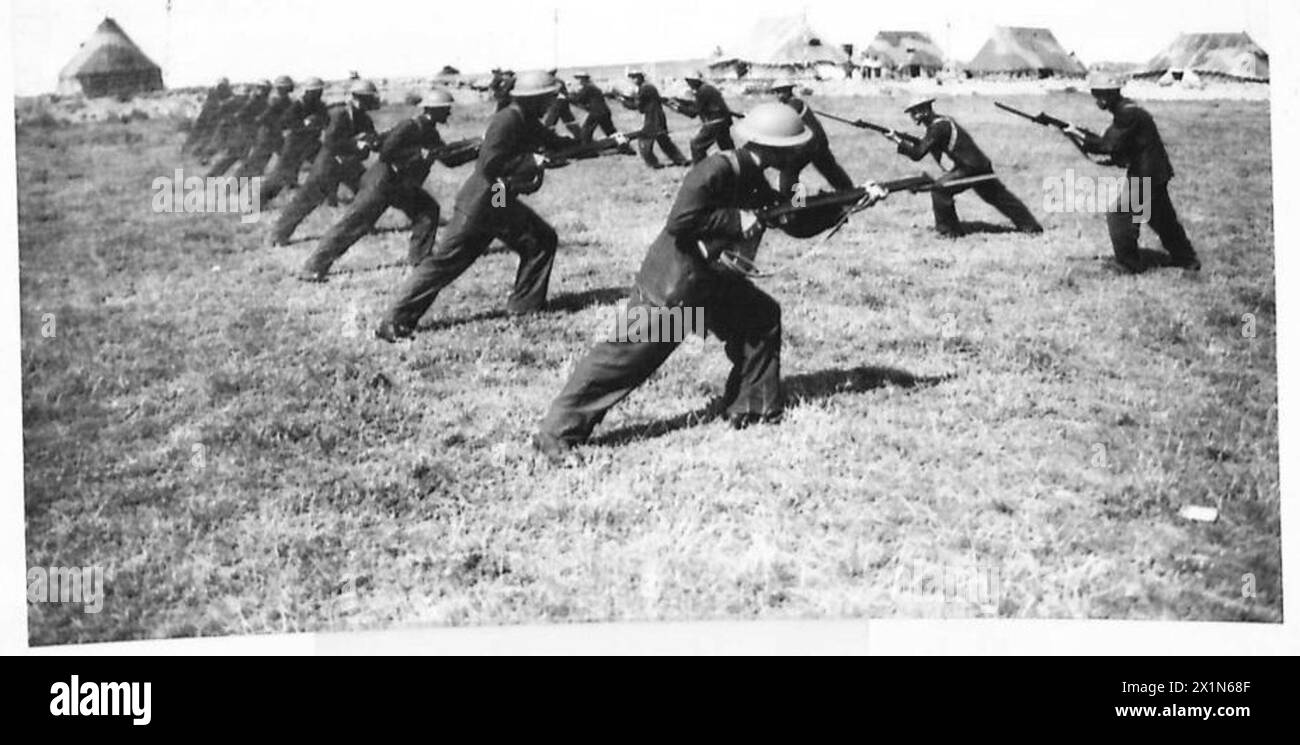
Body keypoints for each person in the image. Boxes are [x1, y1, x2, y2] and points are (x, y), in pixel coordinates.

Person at [533, 103, 882, 462]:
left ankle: (752, 407)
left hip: (709, 280)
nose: (799, 153)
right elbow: (681, 222)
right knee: (625, 358)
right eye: (793, 146)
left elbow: (791, 220)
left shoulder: (752, 175)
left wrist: (848, 204)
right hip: (675, 287)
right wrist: (734, 220)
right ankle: (555, 434)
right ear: (774, 148)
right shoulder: (715, 169)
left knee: (760, 318)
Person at [374, 70, 589, 341]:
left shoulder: (526, 120)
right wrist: (531, 162)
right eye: (548, 97)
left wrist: (596, 144)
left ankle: (525, 306)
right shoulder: (507, 120)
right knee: (445, 263)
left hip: (498, 198)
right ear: (535, 98)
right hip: (483, 201)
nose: (552, 102)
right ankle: (392, 322)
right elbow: (490, 165)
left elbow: (556, 144)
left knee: (541, 240)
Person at [299, 88, 466, 280]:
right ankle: (312, 267)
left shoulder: (429, 132)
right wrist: (417, 153)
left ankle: (420, 260)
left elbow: (449, 159)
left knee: (427, 211)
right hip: (381, 183)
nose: (449, 113)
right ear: (433, 110)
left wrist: (477, 146)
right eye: (446, 109)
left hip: (399, 185)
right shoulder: (410, 126)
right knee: (354, 225)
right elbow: (387, 152)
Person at [1065, 74, 1200, 273]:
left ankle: (1128, 264)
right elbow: (1112, 140)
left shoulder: (1127, 114)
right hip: (1153, 171)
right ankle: (1187, 259)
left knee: (1119, 214)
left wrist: (1077, 135)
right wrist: (1078, 132)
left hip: (1146, 174)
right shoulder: (1127, 110)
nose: (1097, 100)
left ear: (1110, 95)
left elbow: (1107, 145)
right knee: (1161, 218)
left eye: (1099, 94)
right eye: (1095, 94)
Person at [894, 97, 1042, 238]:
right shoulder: (940, 123)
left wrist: (896, 140)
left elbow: (917, 154)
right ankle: (1031, 226)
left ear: (925, 110)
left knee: (940, 189)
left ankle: (950, 232)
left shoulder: (937, 127)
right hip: (978, 165)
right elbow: (925, 145)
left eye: (914, 112)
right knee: (998, 197)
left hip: (970, 169)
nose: (912, 116)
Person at [268, 79, 381, 247]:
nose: (373, 102)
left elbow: (372, 139)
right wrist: (356, 144)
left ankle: (364, 225)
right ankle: (278, 234)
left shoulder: (364, 118)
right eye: (368, 98)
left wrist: (372, 142)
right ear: (358, 98)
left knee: (368, 191)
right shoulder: (340, 114)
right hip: (328, 165)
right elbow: (331, 143)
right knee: (306, 201)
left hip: (349, 165)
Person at [769, 80, 854, 193]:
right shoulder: (792, 104)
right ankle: (848, 190)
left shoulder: (795, 103)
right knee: (830, 169)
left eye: (782, 91)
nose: (778, 95)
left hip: (810, 145)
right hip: (818, 143)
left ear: (789, 91)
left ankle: (792, 200)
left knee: (789, 169)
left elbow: (782, 118)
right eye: (776, 92)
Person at [258, 77, 329, 205]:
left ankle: (329, 197)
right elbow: (284, 122)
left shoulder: (321, 106)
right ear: (308, 92)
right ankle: (258, 203)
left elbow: (327, 121)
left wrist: (319, 122)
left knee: (327, 165)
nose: (318, 94)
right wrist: (304, 123)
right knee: (281, 175)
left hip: (312, 143)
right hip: (295, 144)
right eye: (315, 91)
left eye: (320, 91)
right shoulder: (299, 104)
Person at [621, 70, 688, 168]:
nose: (633, 80)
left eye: (634, 77)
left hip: (653, 118)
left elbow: (639, 105)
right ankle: (680, 160)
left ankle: (653, 164)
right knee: (663, 140)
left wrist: (624, 102)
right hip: (657, 116)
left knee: (645, 140)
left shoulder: (645, 88)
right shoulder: (647, 86)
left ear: (639, 78)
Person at [206, 79, 271, 177]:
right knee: (232, 157)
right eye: (263, 89)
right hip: (244, 133)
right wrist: (253, 121)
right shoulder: (255, 100)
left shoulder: (261, 101)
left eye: (265, 89)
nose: (264, 91)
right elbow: (241, 115)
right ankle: (212, 177)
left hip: (249, 134)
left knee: (241, 158)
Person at [234, 75, 295, 179]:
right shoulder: (280, 101)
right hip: (268, 135)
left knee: (287, 159)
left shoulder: (283, 101)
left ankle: (289, 182)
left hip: (274, 134)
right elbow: (263, 118)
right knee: (256, 162)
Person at [681, 71, 734, 163]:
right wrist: (679, 101)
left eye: (689, 81)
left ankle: (700, 170)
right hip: (723, 121)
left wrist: (676, 107)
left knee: (696, 145)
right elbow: (697, 104)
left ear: (695, 81)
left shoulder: (702, 91)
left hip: (715, 123)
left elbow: (692, 113)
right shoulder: (707, 88)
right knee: (727, 148)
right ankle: (736, 165)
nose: (688, 84)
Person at [567, 72, 621, 144]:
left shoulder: (587, 88)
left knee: (585, 131)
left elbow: (578, 99)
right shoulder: (593, 87)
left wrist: (569, 94)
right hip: (604, 111)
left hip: (596, 113)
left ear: (584, 79)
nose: (578, 81)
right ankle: (622, 142)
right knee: (610, 131)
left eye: (579, 78)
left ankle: (586, 148)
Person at [183, 77, 231, 155]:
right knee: (207, 135)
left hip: (205, 115)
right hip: (213, 116)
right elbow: (226, 101)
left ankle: (187, 150)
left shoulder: (212, 91)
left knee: (197, 133)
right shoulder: (224, 91)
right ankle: (195, 151)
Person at [542, 69, 583, 138]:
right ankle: (580, 136)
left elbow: (554, 92)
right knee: (569, 120)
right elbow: (564, 92)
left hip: (557, 103)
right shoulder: (558, 80)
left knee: (550, 122)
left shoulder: (553, 81)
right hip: (563, 102)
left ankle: (547, 139)